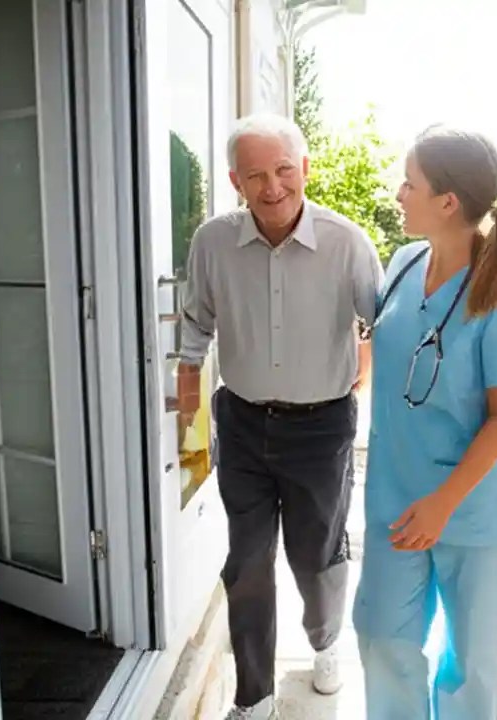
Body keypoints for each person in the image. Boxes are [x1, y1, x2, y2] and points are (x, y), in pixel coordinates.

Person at [176, 113, 385, 720]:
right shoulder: (213, 242)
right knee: (246, 561)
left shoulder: (347, 242)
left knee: (314, 557)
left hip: (321, 430)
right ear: (235, 179)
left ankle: (325, 641)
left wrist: (361, 376)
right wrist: (189, 437)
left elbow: (380, 324)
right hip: (240, 423)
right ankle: (255, 694)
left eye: (285, 170)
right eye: (257, 175)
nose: (273, 187)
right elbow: (194, 336)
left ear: (306, 170)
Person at [354, 126, 497, 719]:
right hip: (394, 502)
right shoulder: (405, 263)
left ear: (448, 201)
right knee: (382, 636)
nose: (398, 193)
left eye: (409, 183)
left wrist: (442, 504)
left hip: (472, 513)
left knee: (470, 666)